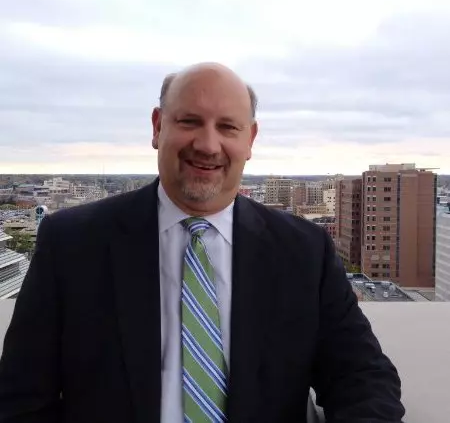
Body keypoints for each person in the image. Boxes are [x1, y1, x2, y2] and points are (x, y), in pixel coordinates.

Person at [0, 63, 405, 423]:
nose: (208, 145)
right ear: (158, 127)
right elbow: (20, 396)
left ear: (250, 139)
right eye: (190, 121)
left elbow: (362, 377)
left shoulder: (304, 252)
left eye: (228, 127)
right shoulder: (72, 243)